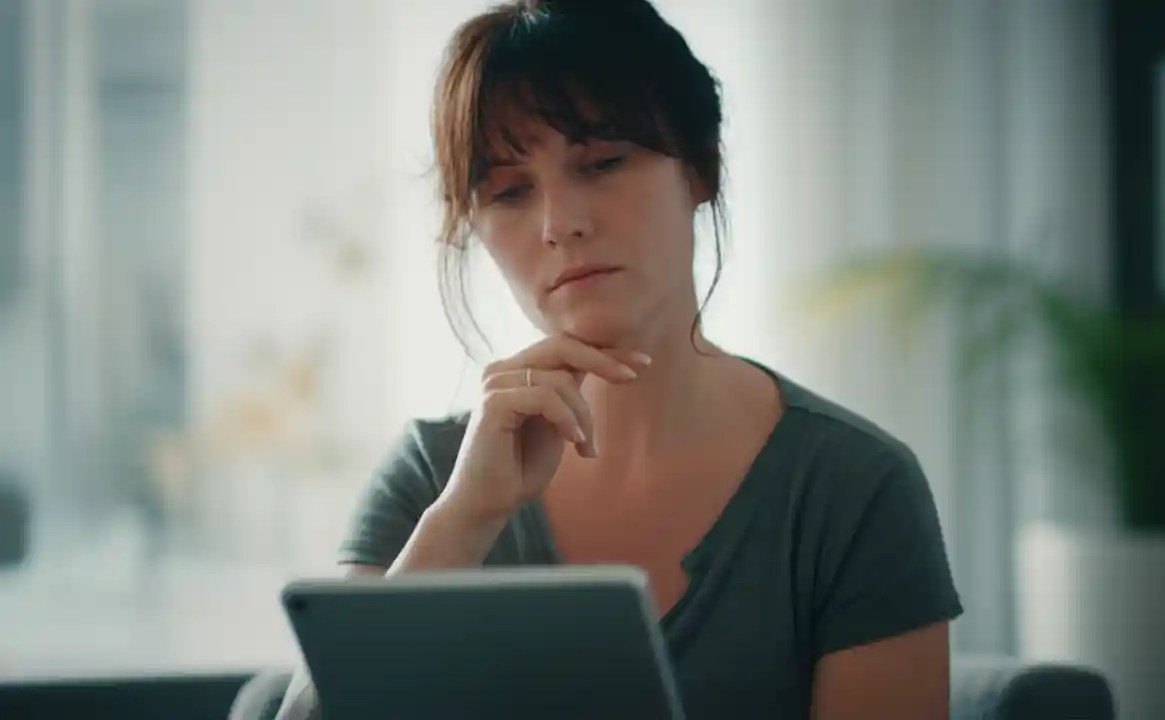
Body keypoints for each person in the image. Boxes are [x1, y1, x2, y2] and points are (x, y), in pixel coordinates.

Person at [273, 0, 962, 717]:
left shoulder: (852, 488)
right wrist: (465, 519)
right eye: (509, 191)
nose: (559, 222)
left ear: (701, 169)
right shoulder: (434, 478)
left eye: (602, 163)